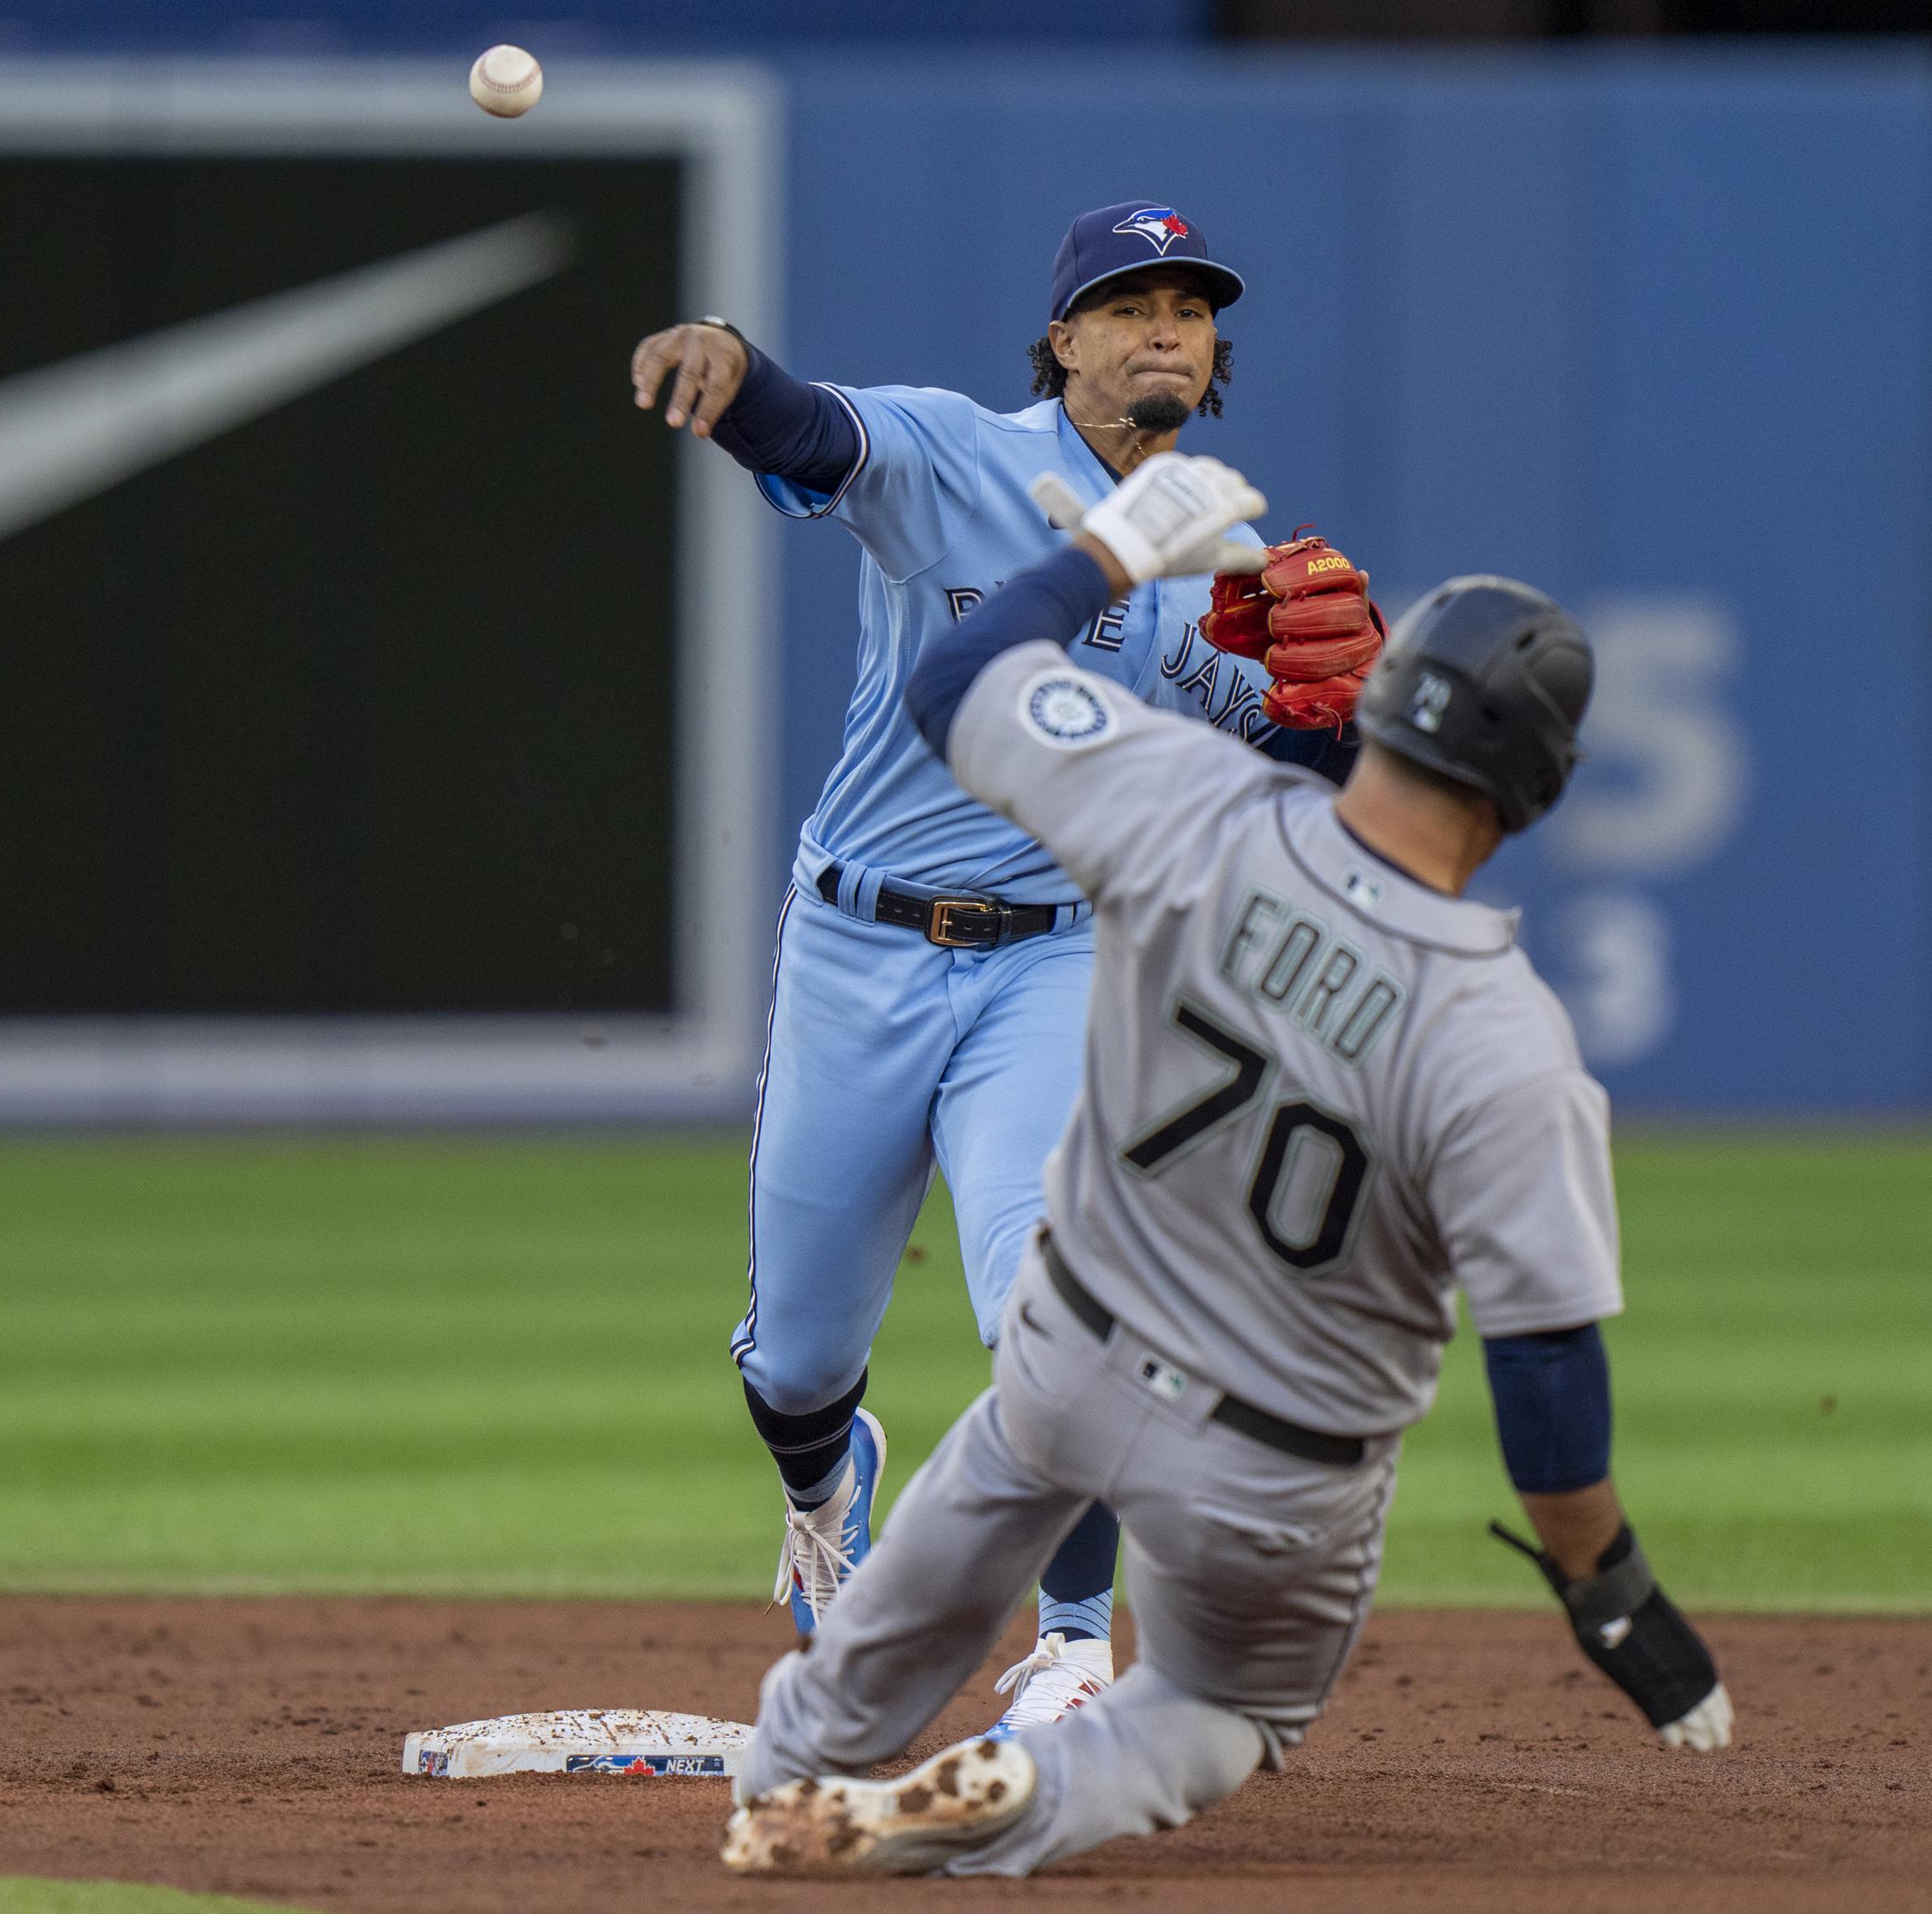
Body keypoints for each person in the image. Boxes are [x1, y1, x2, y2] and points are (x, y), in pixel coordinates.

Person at [717, 450, 1734, 1879]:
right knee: (1219, 1705)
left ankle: (788, 1759)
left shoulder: (1189, 807)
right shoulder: (1514, 1044)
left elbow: (954, 685)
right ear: (1538, 792)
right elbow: (1547, 1371)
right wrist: (1606, 1586)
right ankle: (1026, 1787)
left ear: (1376, 707)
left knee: (999, 1471)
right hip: (1277, 1474)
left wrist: (1111, 557)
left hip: (1077, 1354)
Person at [628, 203, 1376, 1734]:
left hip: (1061, 961)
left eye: (1190, 305)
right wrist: (727, 362)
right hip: (857, 939)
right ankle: (827, 1482)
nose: (1164, 325)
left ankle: (1073, 1642)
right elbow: (813, 430)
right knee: (797, 1356)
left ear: (1216, 350)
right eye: (1127, 303)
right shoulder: (952, 453)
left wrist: (1342, 710)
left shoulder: (1232, 564)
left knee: (1060, 1301)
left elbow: (1324, 777)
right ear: (1064, 340)